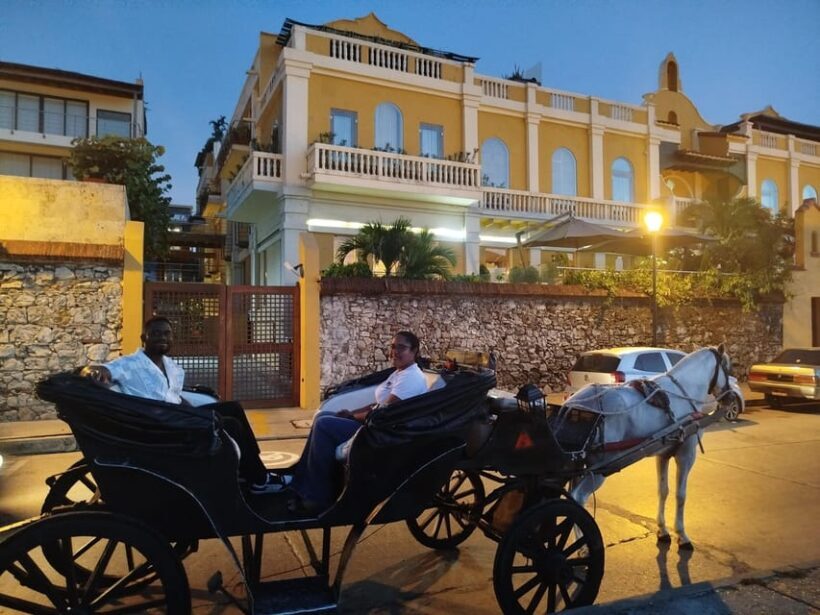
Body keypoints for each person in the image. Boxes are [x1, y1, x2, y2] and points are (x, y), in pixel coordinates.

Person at [82, 316, 281, 494]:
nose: (162, 338)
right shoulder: (130, 364)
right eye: (156, 333)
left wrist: (195, 412)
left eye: (167, 334)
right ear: (144, 339)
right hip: (159, 428)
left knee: (233, 408)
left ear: (172, 339)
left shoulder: (171, 367)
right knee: (229, 424)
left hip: (176, 417)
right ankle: (258, 480)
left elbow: (175, 397)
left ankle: (252, 463)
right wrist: (92, 371)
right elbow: (104, 369)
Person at [283, 331, 428, 513]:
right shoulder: (399, 373)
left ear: (414, 351)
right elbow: (378, 404)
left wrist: (352, 417)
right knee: (323, 416)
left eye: (401, 347)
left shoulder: (412, 377)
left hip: (383, 433)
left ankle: (317, 497)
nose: (395, 352)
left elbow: (384, 412)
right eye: (393, 346)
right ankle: (301, 484)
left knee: (324, 425)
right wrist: (351, 413)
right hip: (374, 425)